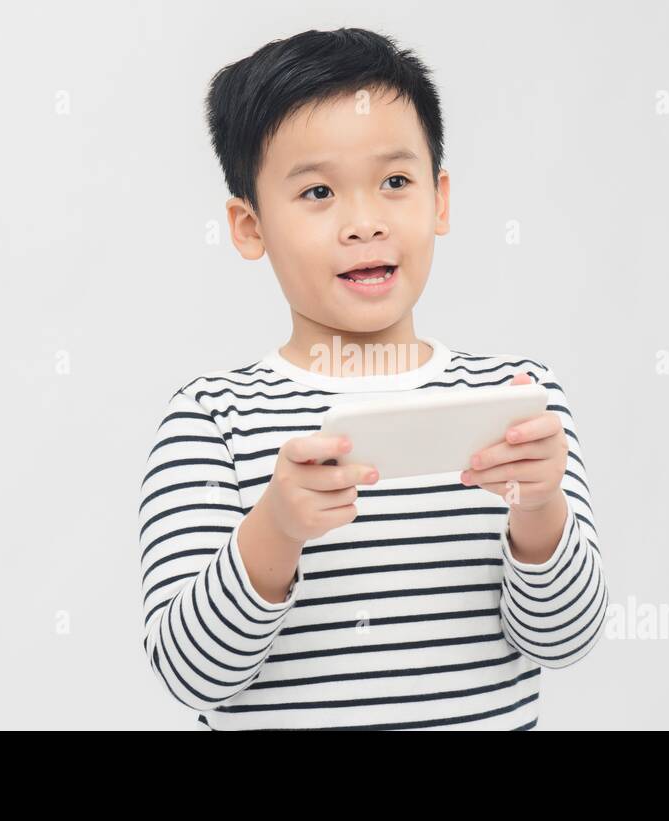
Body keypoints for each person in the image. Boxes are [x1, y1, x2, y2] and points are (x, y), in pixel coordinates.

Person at [139, 27, 607, 730]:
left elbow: (565, 639)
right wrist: (276, 530)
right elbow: (187, 672)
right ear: (248, 225)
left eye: (395, 182)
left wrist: (538, 507)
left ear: (440, 200)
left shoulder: (516, 401)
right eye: (318, 191)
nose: (364, 223)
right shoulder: (211, 419)